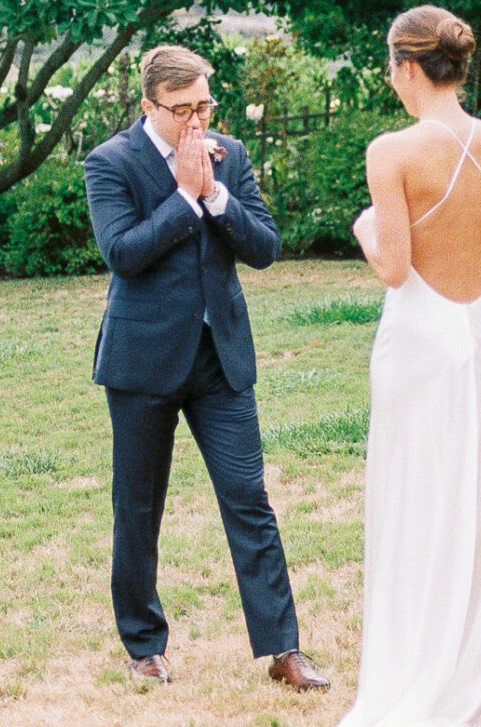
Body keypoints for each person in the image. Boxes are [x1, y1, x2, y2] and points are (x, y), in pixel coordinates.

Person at [297, 5, 481, 727]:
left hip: (423, 336)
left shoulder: (391, 151)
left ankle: (417, 672)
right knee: (476, 490)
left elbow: (394, 266)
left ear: (405, 66)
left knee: (416, 495)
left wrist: (365, 227)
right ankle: (470, 675)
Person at [83, 44, 327, 693]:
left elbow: (265, 247)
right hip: (142, 362)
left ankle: (283, 649)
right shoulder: (110, 162)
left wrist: (215, 193)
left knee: (249, 498)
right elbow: (123, 253)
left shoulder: (230, 156)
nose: (197, 121)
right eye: (182, 109)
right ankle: (144, 647)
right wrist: (185, 198)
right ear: (149, 106)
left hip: (220, 359)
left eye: (205, 106)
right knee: (138, 507)